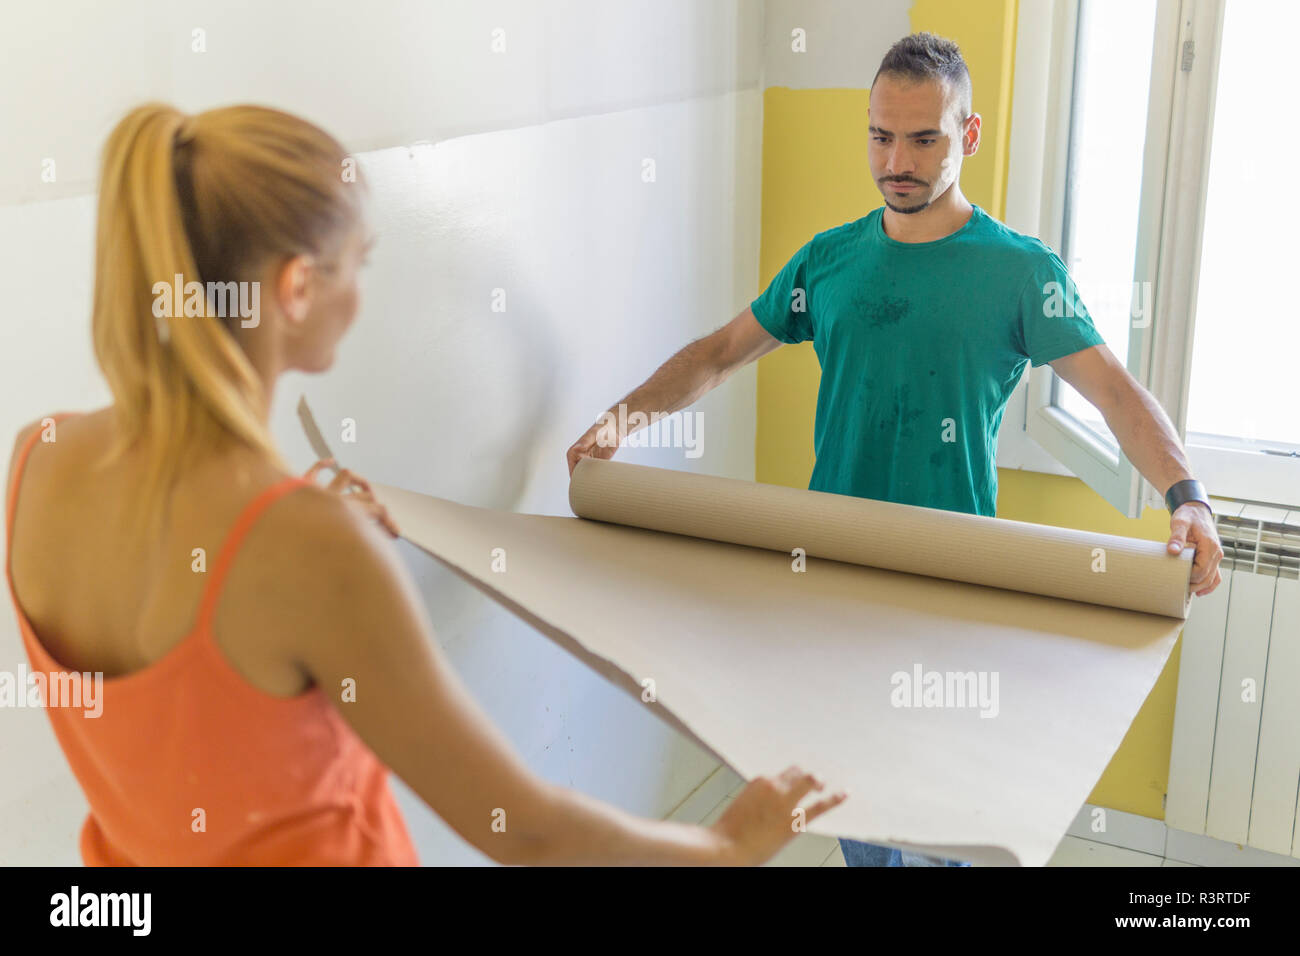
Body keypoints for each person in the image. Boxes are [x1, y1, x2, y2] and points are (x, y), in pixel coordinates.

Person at [5, 102, 847, 866]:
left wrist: (295, 532)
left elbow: (203, 687)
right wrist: (725, 848)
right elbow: (526, 829)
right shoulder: (306, 548)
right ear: (297, 286)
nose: (362, 296)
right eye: (355, 266)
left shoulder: (36, 459)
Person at [566, 32, 1224, 867]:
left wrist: (1187, 495)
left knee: (936, 812)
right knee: (852, 802)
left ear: (969, 136)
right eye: (881, 135)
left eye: (924, 138)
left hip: (950, 583)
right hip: (829, 577)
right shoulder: (829, 260)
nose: (897, 160)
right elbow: (718, 353)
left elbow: (1117, 395)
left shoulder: (1021, 274)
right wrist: (618, 424)